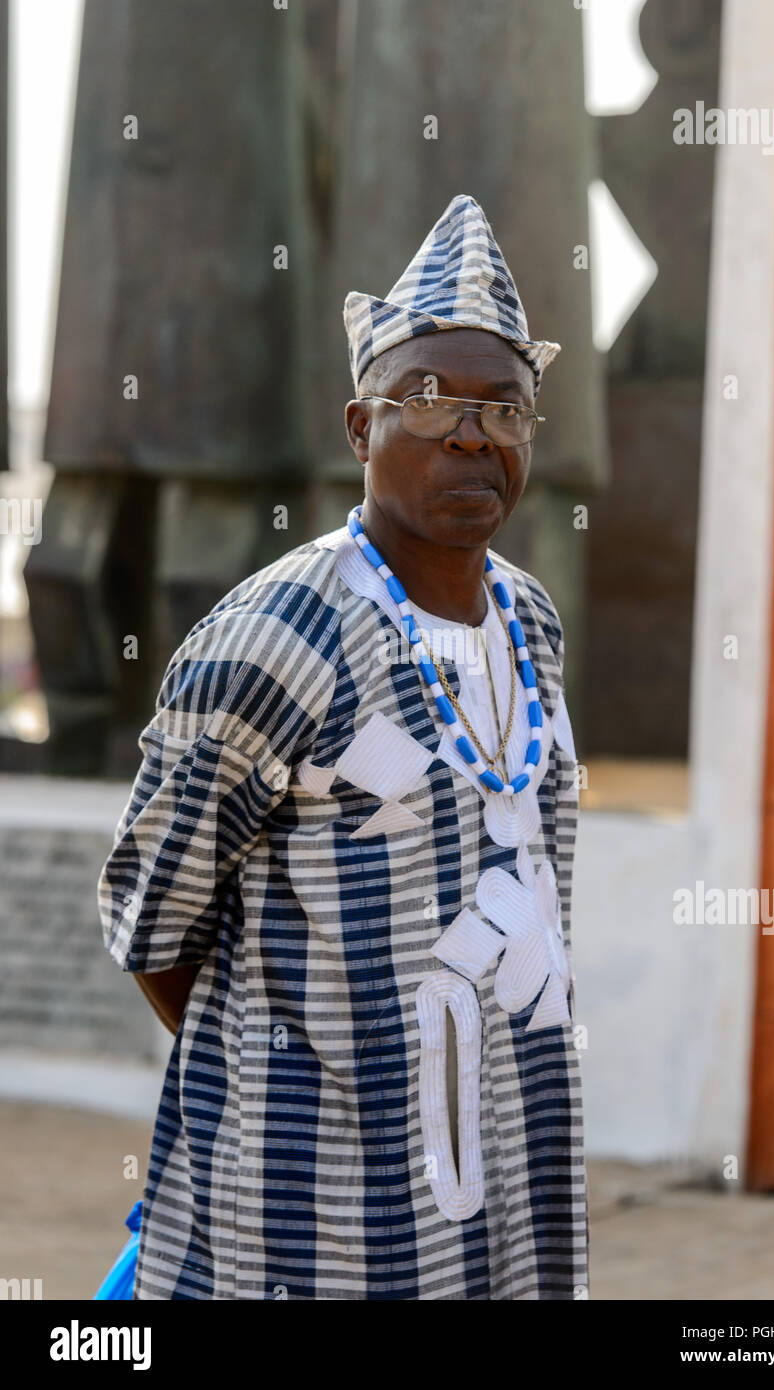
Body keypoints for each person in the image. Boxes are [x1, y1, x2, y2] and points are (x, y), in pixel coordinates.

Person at [98, 193, 588, 1300]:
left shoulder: (529, 621)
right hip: (309, 1207)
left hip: (512, 1170)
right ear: (360, 428)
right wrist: (326, 1068)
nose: (470, 432)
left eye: (503, 408)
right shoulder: (273, 636)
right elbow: (152, 921)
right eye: (427, 399)